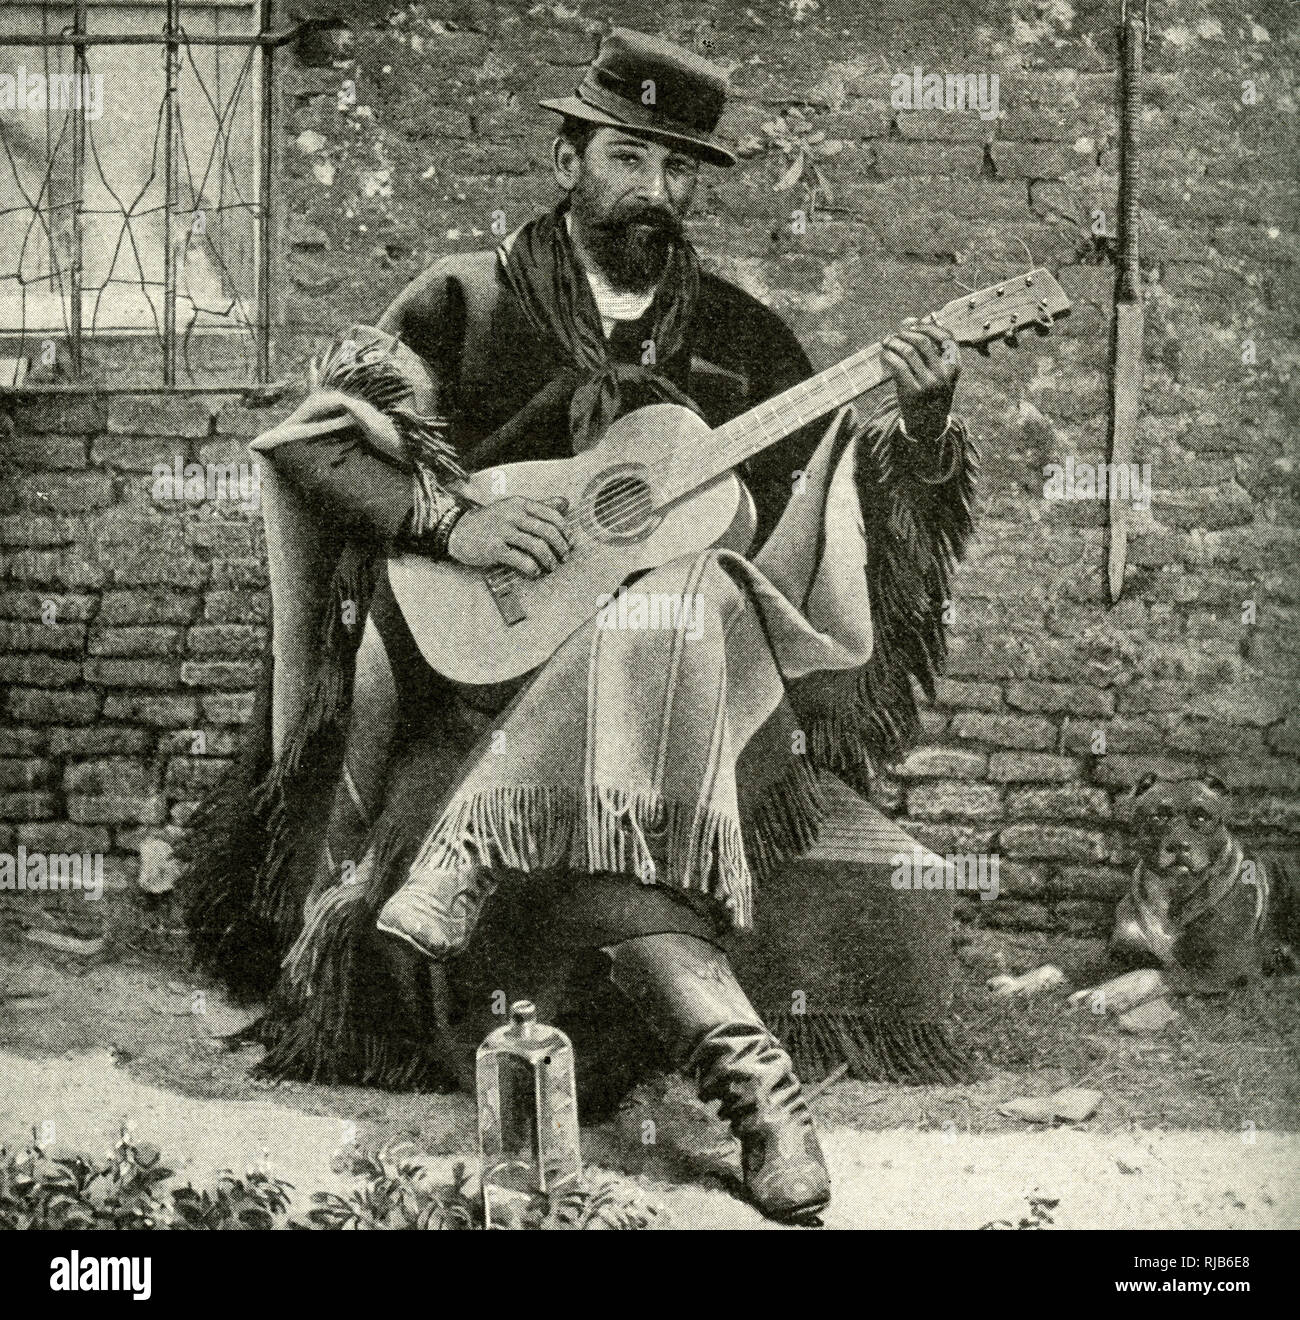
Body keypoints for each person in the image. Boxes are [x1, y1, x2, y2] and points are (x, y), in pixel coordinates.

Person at [184, 28, 974, 1224]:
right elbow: (320, 446)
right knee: (603, 785)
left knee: (676, 608)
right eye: (627, 158)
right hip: (485, 690)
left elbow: (835, 515)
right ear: (567, 159)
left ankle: (473, 870)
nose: (655, 192)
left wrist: (918, 427)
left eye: (679, 171)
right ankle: (760, 1095)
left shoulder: (745, 339)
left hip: (689, 711)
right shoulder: (461, 300)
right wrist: (452, 526)